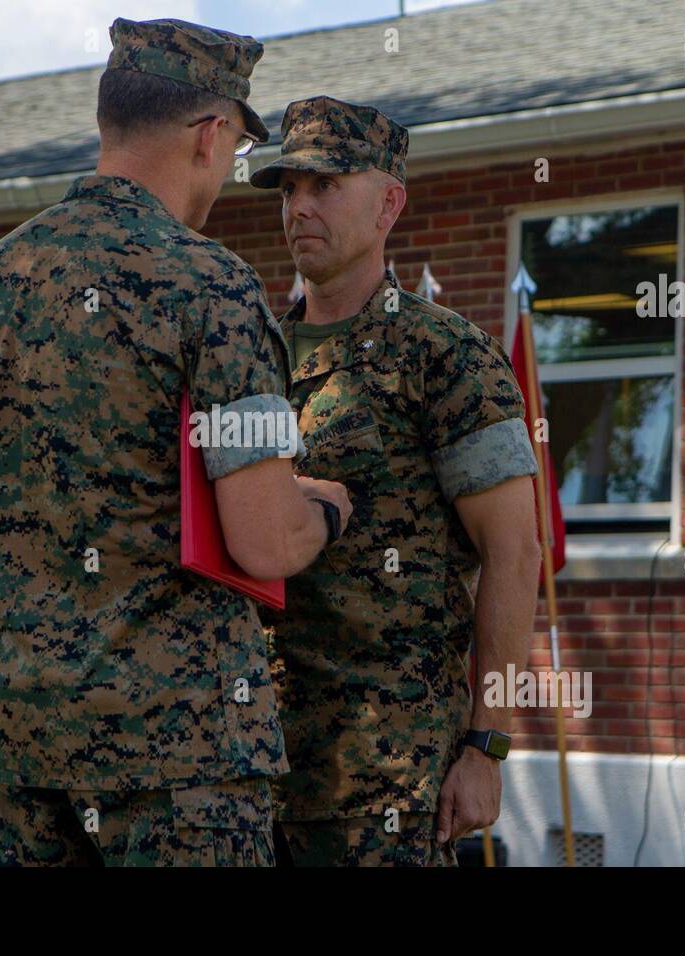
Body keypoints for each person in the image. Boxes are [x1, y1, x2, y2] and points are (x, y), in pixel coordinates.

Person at [0, 21, 351, 866]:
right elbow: (264, 535)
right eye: (235, 148)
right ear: (211, 135)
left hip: (13, 758)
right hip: (177, 767)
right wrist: (327, 511)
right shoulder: (213, 288)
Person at [250, 96, 542, 866]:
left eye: (325, 185)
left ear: (389, 204)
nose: (299, 207)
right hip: (248, 770)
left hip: (386, 783)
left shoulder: (446, 357)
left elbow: (515, 554)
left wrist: (487, 745)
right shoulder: (249, 360)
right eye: (288, 188)